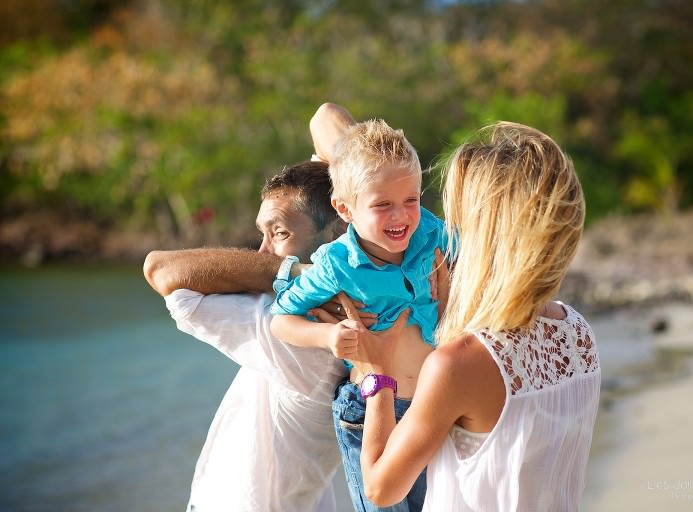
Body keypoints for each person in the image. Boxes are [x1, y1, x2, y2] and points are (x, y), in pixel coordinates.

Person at [345, 121, 601, 511]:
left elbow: (381, 488)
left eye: (457, 224)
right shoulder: (577, 334)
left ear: (483, 234)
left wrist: (375, 373)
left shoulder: (457, 365)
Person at [143, 160, 353, 512]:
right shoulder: (364, 316)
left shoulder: (291, 333)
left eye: (279, 233)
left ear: (335, 235)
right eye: (262, 234)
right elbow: (325, 118)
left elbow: (159, 269)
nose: (262, 251)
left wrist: (291, 272)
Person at [270, 117, 448, 512]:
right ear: (345, 209)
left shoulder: (431, 234)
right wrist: (328, 337)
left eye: (411, 200)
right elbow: (281, 319)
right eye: (382, 205)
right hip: (368, 410)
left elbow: (477, 258)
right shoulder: (337, 264)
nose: (400, 216)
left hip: (434, 404)